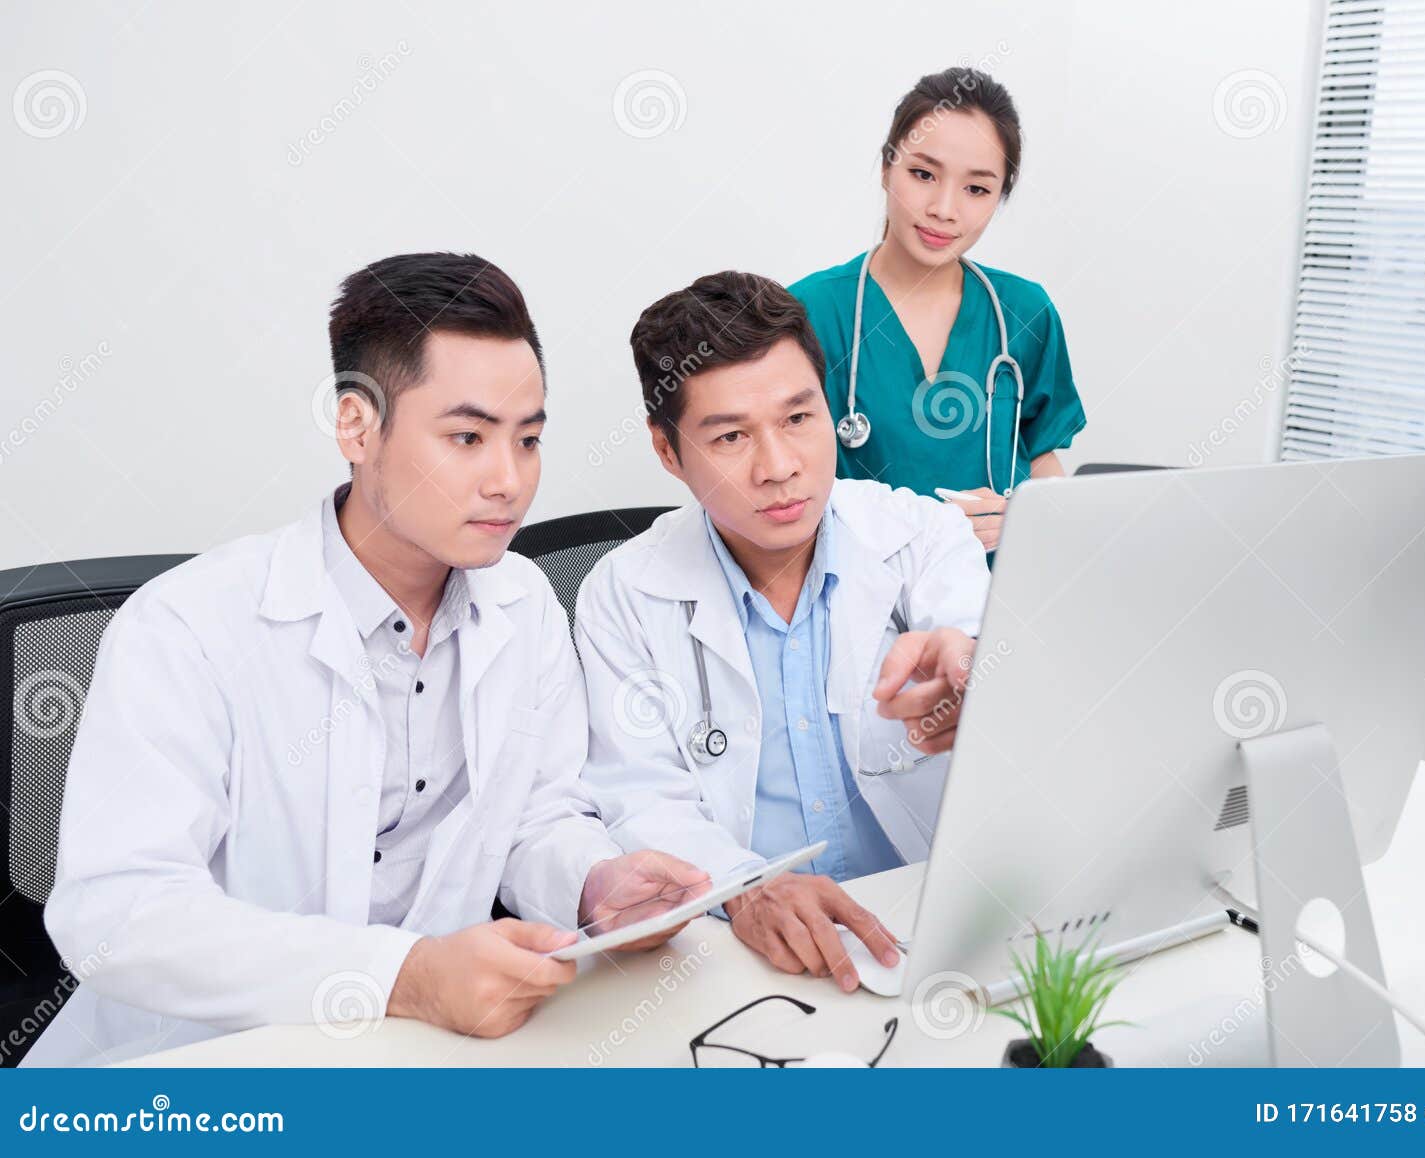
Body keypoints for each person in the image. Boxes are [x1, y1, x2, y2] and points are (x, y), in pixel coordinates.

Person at [26, 253, 706, 1066]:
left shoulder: (521, 605)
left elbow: (535, 817)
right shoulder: (187, 626)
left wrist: (594, 883)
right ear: (356, 426)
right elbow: (116, 914)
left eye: (528, 439)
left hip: (416, 1055)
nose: (509, 480)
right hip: (195, 1069)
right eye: (467, 437)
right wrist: (402, 975)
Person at [575, 270, 991, 993]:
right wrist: (744, 888)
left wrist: (979, 676)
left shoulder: (922, 535)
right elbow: (638, 798)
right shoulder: (624, 593)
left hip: (925, 926)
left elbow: (995, 673)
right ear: (668, 451)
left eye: (799, 418)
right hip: (740, 956)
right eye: (731, 436)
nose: (780, 467)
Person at [789, 67, 1087, 553]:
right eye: (923, 174)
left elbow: (1041, 459)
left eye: (977, 189)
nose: (945, 209)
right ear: (886, 167)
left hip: (996, 583)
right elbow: (778, 479)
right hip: (859, 587)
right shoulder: (807, 313)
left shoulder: (1025, 313)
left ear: (1000, 197)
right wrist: (918, 532)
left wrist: (1029, 518)